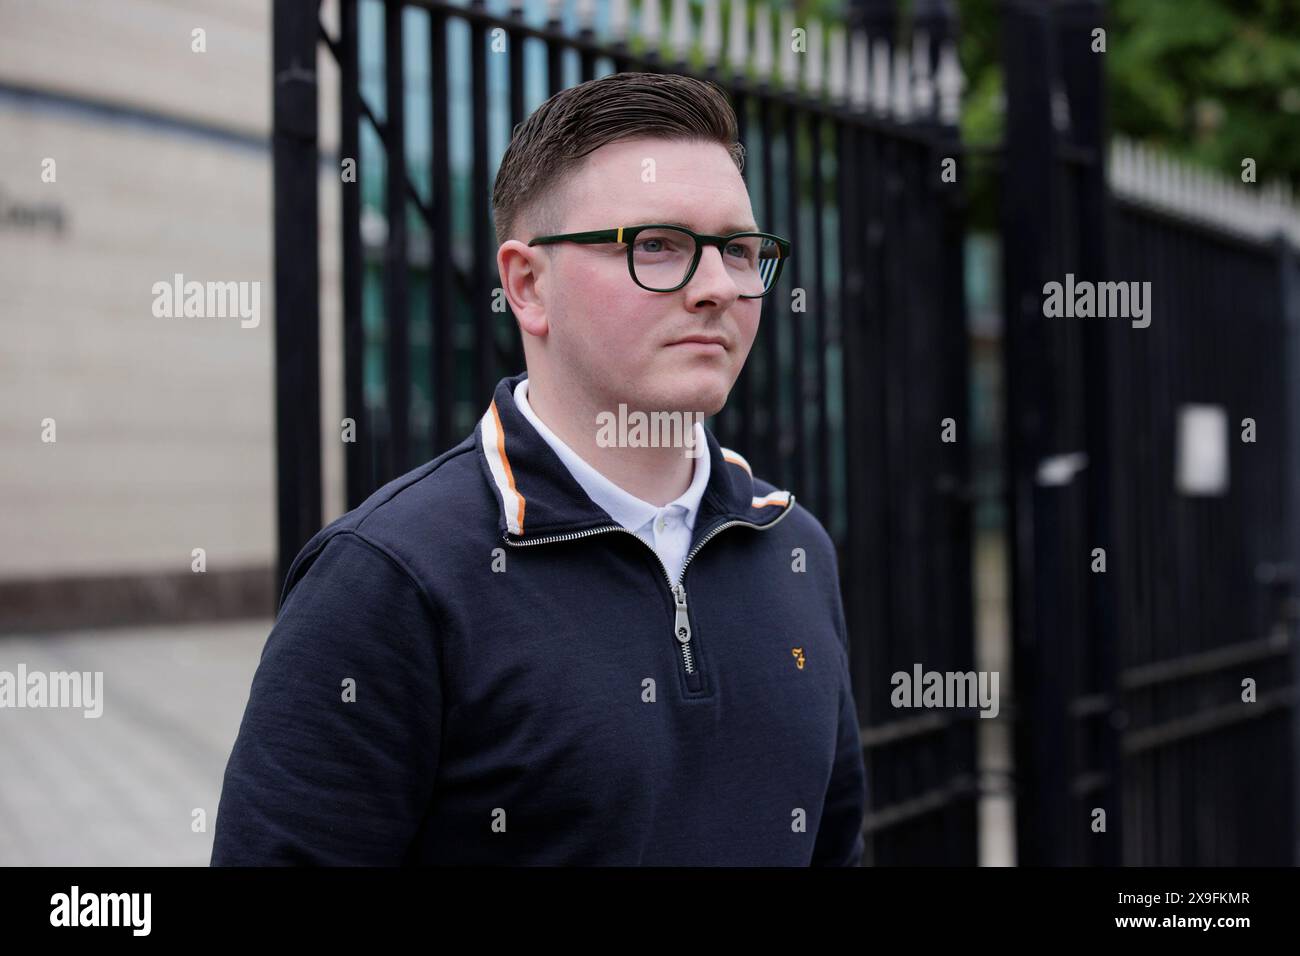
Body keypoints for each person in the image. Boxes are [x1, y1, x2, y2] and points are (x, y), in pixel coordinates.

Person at [211, 71, 866, 866]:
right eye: (657, 245)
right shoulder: (390, 581)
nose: (718, 288)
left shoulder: (793, 546)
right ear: (527, 285)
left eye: (738, 249)